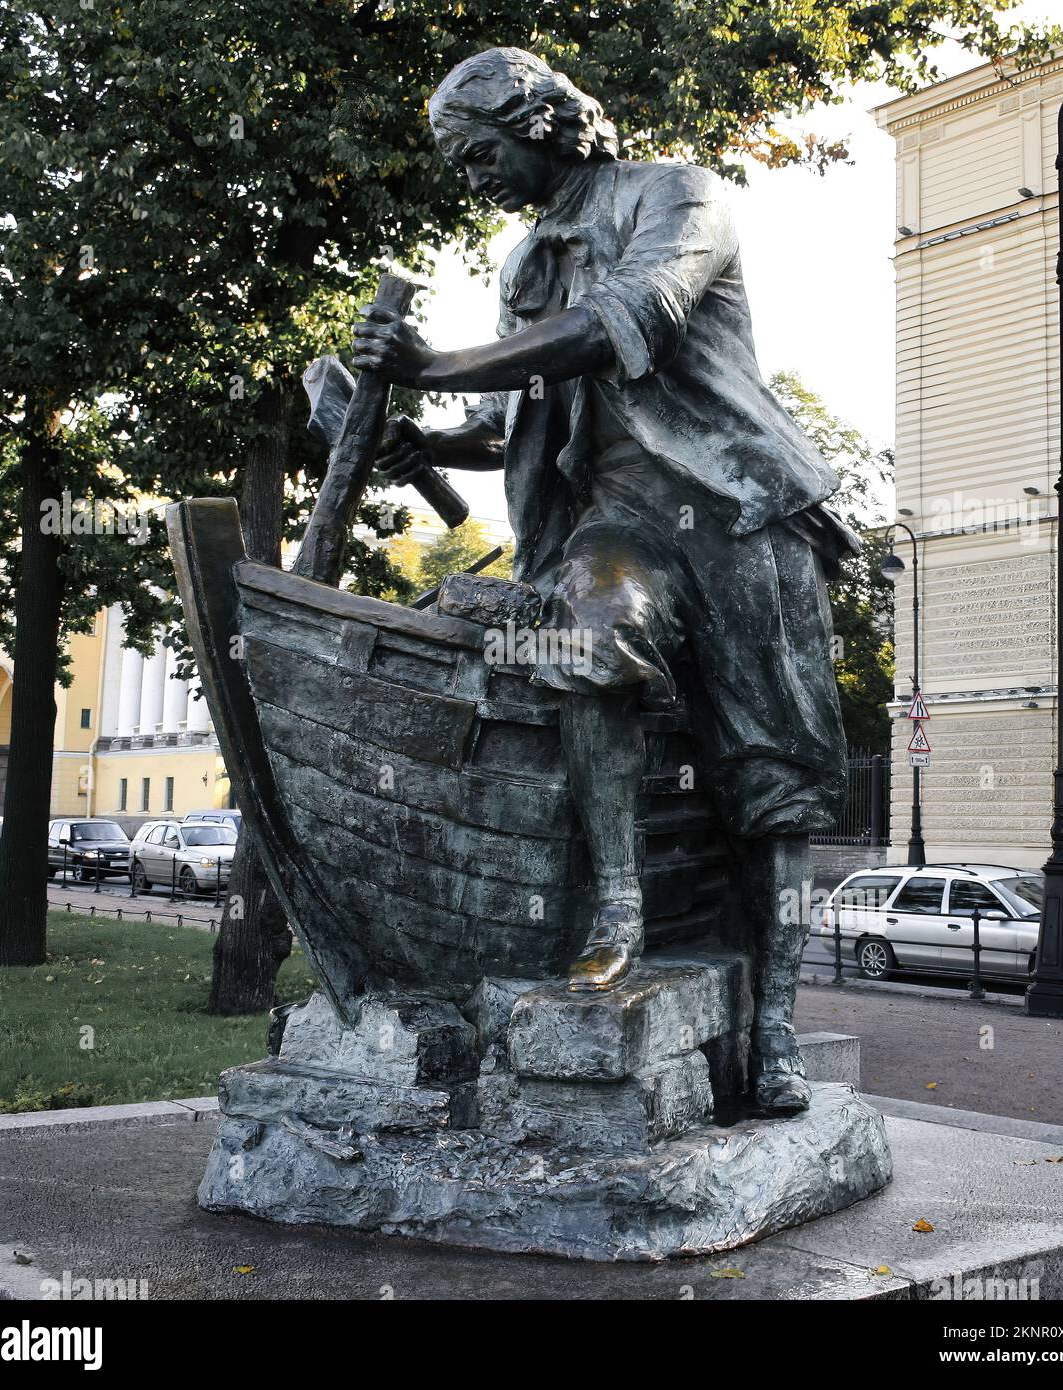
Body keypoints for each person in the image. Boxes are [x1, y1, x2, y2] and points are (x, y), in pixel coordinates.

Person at [355, 47, 855, 1114]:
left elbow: (628, 322)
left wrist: (430, 362)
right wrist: (425, 440)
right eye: (457, 161)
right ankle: (617, 912)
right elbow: (510, 420)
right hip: (621, 515)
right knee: (584, 629)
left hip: (740, 508)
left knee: (774, 783)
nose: (470, 175)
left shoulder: (681, 195)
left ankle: (773, 1026)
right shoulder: (526, 264)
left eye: (477, 150)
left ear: (539, 121)